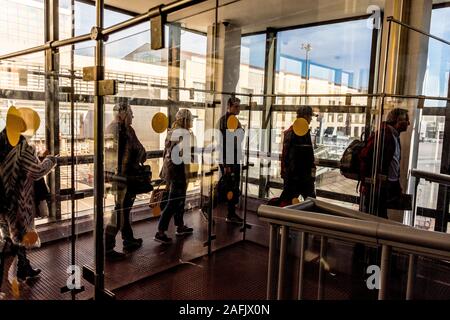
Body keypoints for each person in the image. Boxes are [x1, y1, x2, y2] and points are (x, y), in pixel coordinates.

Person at [0, 128, 56, 282]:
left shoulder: (2, 146)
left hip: (4, 202)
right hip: (17, 203)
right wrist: (50, 160)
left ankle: (24, 267)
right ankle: (20, 269)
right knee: (14, 239)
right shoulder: (21, 150)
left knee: (11, 237)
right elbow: (37, 171)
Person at [105, 101, 146, 260]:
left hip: (119, 177)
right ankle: (108, 246)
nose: (133, 116)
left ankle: (128, 239)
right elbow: (140, 150)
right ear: (122, 114)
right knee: (120, 211)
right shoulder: (123, 130)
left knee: (124, 209)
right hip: (124, 177)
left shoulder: (113, 129)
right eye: (130, 113)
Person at [360, 108, 410, 218]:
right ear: (398, 121)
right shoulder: (384, 136)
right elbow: (366, 158)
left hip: (385, 186)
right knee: (377, 218)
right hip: (378, 187)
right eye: (406, 120)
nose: (409, 123)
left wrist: (396, 187)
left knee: (379, 217)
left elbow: (392, 164)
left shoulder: (392, 136)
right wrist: (367, 183)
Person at [154, 109, 195, 244]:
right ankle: (160, 231)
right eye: (189, 119)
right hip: (178, 171)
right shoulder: (180, 134)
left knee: (180, 200)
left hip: (173, 171)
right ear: (183, 120)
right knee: (174, 201)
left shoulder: (173, 131)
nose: (191, 122)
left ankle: (180, 225)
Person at [279, 106, 317, 205]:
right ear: (304, 116)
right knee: (310, 201)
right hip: (300, 176)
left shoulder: (291, 132)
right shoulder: (298, 133)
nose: (311, 119)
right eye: (310, 116)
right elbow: (306, 156)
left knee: (291, 200)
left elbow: (286, 156)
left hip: (294, 176)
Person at [218, 96, 245, 223]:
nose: (238, 109)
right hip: (230, 159)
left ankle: (231, 213)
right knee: (229, 186)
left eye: (239, 106)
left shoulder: (232, 120)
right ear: (229, 106)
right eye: (236, 106)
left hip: (232, 158)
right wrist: (226, 164)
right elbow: (225, 143)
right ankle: (228, 213)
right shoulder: (227, 121)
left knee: (231, 186)